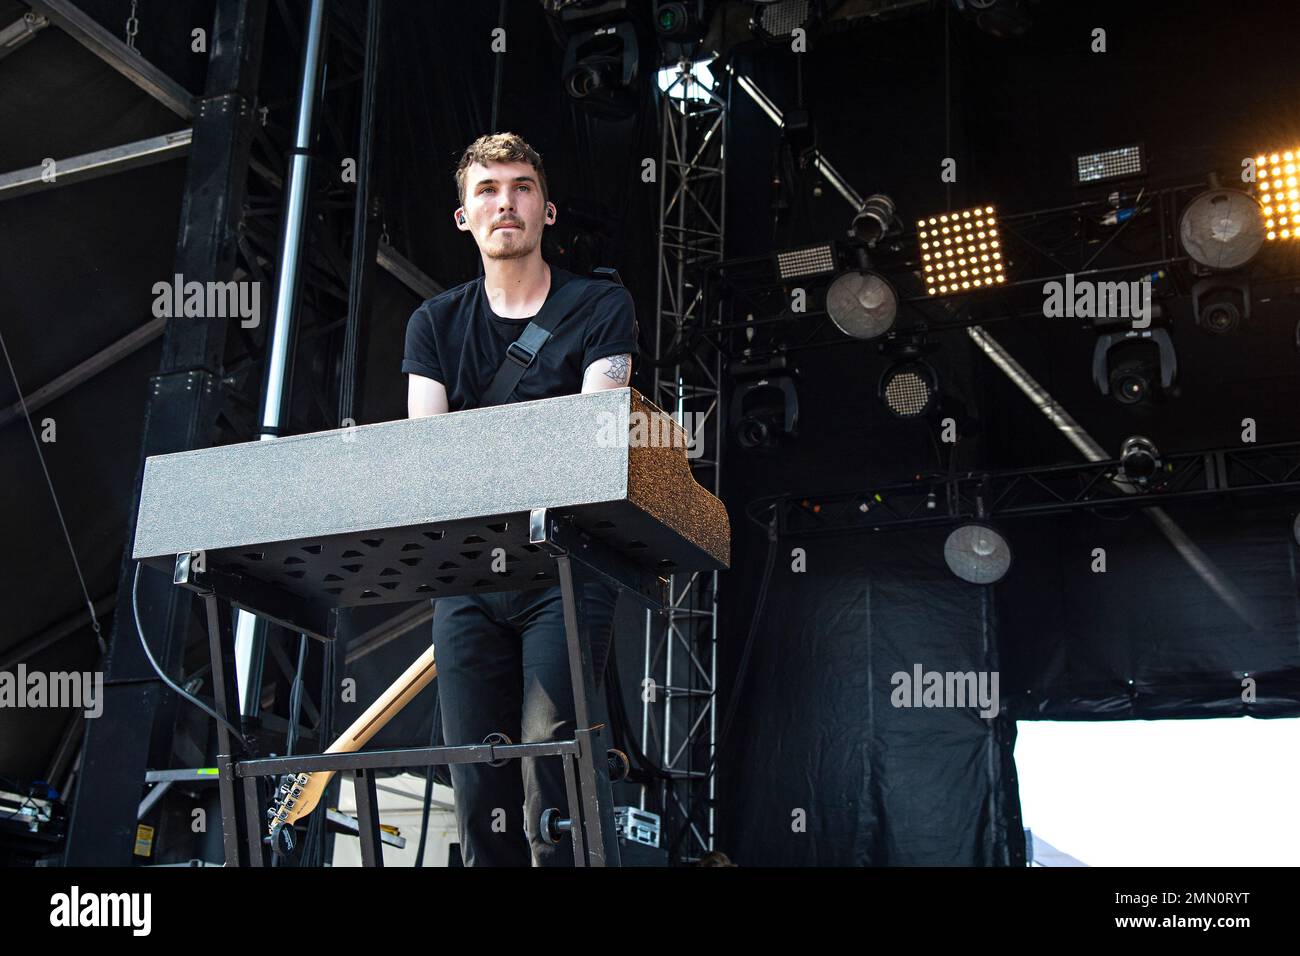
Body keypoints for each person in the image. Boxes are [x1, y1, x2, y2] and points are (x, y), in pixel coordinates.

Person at [402, 132, 637, 865]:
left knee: (553, 783)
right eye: (487, 190)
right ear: (464, 217)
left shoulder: (600, 305)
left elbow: (592, 443)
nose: (505, 200)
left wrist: (485, 453)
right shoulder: (434, 323)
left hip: (564, 571)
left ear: (548, 209)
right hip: (466, 575)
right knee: (478, 786)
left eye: (522, 186)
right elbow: (426, 457)